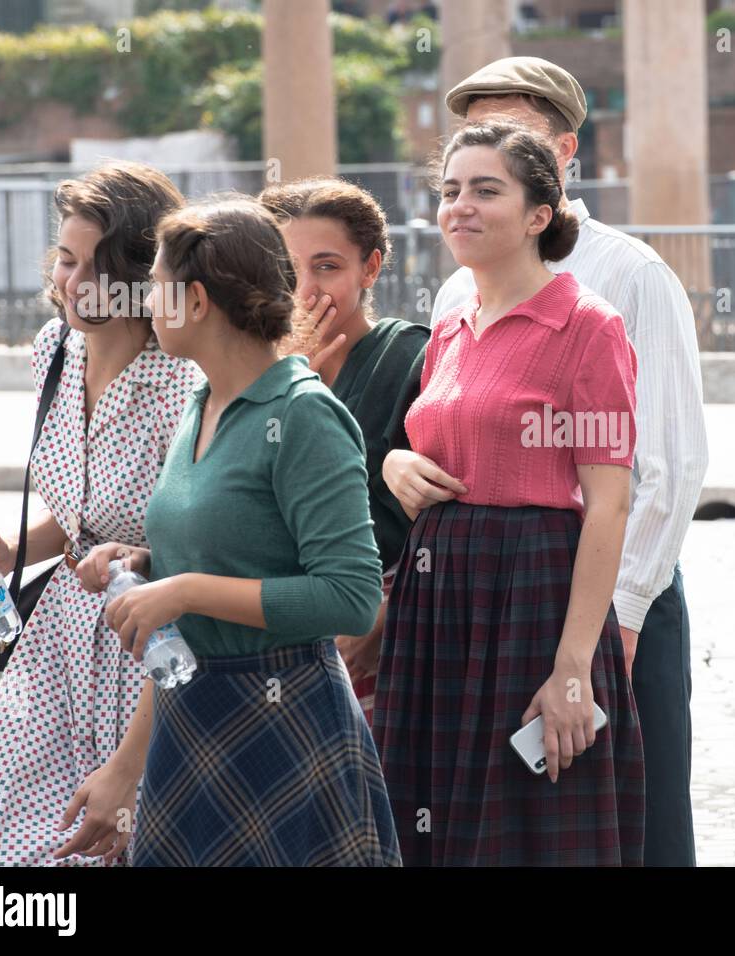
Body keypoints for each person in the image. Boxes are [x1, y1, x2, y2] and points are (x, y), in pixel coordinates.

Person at [55, 198, 400, 866]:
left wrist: (184, 590)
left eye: (156, 287)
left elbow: (350, 596)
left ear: (198, 300)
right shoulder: (201, 403)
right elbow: (238, 550)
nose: (146, 301)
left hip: (288, 724)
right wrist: (150, 565)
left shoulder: (302, 415)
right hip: (192, 723)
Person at [435, 56, 708, 867]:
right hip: (493, 601)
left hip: (619, 595)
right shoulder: (460, 290)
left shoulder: (630, 275)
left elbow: (666, 466)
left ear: (564, 152)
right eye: (471, 134)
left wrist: (615, 623)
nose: (484, 151)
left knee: (637, 831)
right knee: (497, 823)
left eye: (510, 130)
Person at [378, 121, 644, 865]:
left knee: (525, 825)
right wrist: (396, 465)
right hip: (438, 597)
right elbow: (429, 443)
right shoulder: (451, 327)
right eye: (450, 190)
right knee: (428, 816)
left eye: (485, 190)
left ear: (539, 214)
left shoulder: (588, 326)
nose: (460, 206)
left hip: (531, 591)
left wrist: (572, 668)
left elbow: (610, 504)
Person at [0, 161, 198, 866]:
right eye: (65, 258)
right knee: (7, 844)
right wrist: (6, 550)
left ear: (143, 274)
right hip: (57, 644)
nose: (70, 282)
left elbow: (184, 535)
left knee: (115, 841)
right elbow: (84, 513)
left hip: (152, 643)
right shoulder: (53, 352)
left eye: (93, 265)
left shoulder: (181, 380)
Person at [258, 178, 429, 722]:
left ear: (370, 269)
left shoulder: (408, 358)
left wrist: (379, 618)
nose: (304, 289)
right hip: (269, 634)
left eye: (327, 267)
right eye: (287, 268)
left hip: (380, 641)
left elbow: (443, 522)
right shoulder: (251, 371)